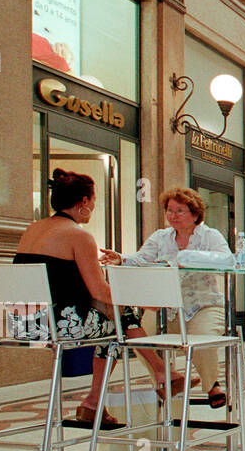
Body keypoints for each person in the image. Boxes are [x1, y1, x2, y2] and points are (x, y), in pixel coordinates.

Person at [12, 169, 176, 425]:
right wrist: (144, 302)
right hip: (58, 326)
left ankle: (101, 401)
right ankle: (156, 374)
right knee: (121, 325)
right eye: (95, 200)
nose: (95, 206)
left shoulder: (33, 229)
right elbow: (99, 290)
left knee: (116, 316)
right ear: (84, 202)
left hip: (25, 325)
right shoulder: (79, 236)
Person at [100, 187, 231, 407]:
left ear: (195, 215)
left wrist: (189, 257)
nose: (173, 215)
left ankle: (211, 385)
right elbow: (141, 258)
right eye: (170, 210)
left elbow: (226, 260)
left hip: (203, 305)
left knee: (201, 336)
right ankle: (168, 378)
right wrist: (121, 258)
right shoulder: (161, 237)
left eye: (180, 211)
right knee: (142, 336)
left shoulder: (210, 236)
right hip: (166, 307)